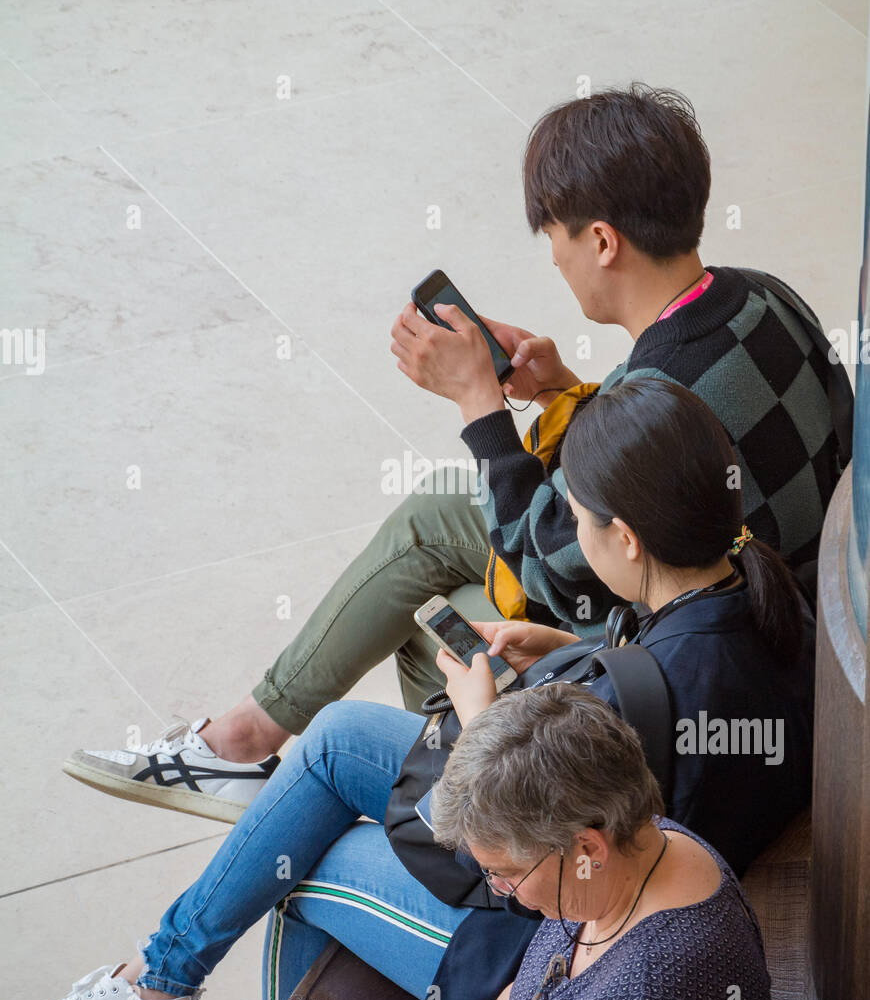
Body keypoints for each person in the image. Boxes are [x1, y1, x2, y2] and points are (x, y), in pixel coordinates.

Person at [0, 380, 811, 1000]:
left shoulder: (663, 689)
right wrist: (571, 648)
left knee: (296, 859)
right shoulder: (750, 596)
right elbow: (661, 721)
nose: (569, 529)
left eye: (576, 512)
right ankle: (161, 983)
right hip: (584, 862)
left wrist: (486, 715)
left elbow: (493, 858)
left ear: (627, 538)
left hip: (535, 914)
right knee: (339, 736)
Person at [62, 85, 843, 823]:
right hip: (776, 613)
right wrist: (565, 390)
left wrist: (480, 406)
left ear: (602, 240)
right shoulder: (765, 295)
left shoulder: (664, 381)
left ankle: (463, 821)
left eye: (556, 236)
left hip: (702, 638)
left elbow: (552, 570)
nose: (555, 258)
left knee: (431, 623)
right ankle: (252, 741)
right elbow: (682, 432)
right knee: (436, 516)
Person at [429, 684, 773, 1000]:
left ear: (587, 847)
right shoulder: (642, 841)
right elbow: (541, 985)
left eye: (506, 873)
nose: (501, 889)